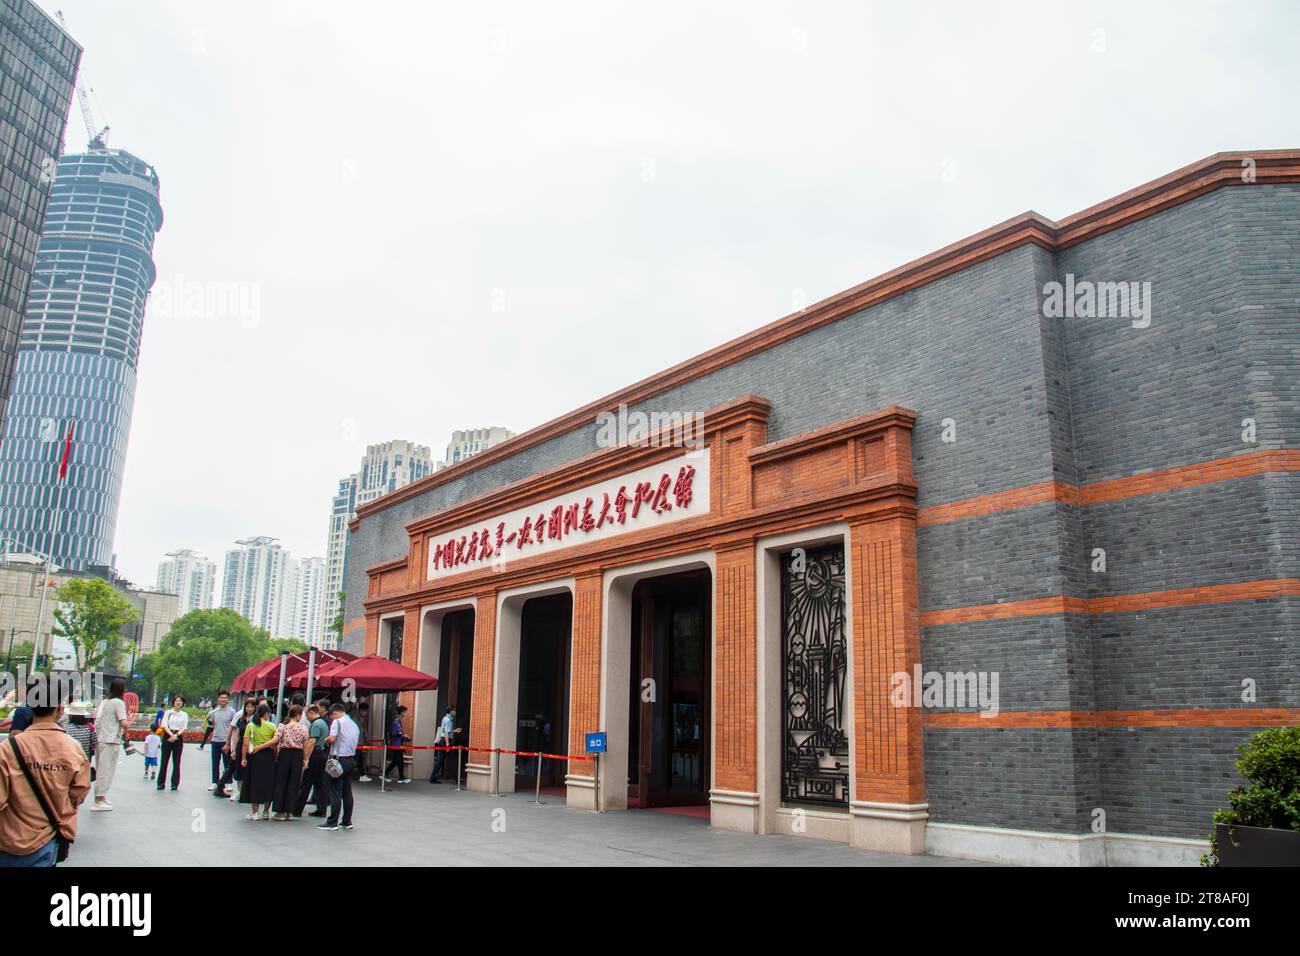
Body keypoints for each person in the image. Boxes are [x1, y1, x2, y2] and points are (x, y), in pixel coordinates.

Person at [0, 684, 91, 866]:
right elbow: (78, 795)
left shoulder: (8, 748)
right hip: (47, 839)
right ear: (60, 708)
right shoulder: (73, 749)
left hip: (8, 842)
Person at [319, 702, 358, 831]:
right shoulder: (354, 724)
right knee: (347, 792)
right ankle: (346, 821)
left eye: (332, 717)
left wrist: (325, 740)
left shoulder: (338, 722)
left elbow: (331, 739)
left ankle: (332, 822)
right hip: (351, 760)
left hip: (338, 759)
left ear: (335, 713)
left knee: (335, 791)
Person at [91, 678, 129, 810]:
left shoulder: (105, 702)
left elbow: (98, 721)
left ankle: (101, 797)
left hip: (101, 738)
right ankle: (99, 799)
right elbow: (123, 722)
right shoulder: (119, 703)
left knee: (101, 768)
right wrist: (127, 727)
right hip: (111, 739)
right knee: (106, 770)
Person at [270, 704, 307, 820]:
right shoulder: (303, 728)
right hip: (297, 755)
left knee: (281, 782)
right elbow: (305, 745)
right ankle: (289, 812)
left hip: (284, 754)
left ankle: (279, 811)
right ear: (297, 715)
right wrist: (305, 759)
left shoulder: (282, 727)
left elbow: (275, 740)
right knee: (294, 783)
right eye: (300, 715)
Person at [242, 703, 277, 820]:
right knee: (268, 783)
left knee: (255, 783)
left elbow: (245, 744)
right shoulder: (272, 726)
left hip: (254, 757)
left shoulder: (250, 726)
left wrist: (243, 758)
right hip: (268, 756)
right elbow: (275, 744)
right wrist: (275, 756)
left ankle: (255, 813)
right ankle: (266, 812)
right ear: (266, 714)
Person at [217, 698, 256, 799]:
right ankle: (239, 791)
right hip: (240, 746)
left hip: (251, 747)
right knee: (238, 769)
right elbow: (237, 735)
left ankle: (247, 792)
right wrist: (233, 749)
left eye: (252, 707)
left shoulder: (257, 720)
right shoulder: (241, 719)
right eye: (248, 707)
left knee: (248, 769)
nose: (250, 709)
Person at [296, 703, 330, 818]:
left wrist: (306, 758)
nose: (307, 718)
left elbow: (312, 742)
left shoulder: (316, 724)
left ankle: (297, 808)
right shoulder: (324, 723)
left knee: (306, 782)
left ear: (312, 713)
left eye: (307, 715)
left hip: (315, 754)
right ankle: (322, 809)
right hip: (323, 754)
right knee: (321, 783)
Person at [201, 690, 238, 792]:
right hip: (215, 740)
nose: (223, 700)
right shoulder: (214, 712)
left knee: (228, 763)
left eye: (225, 698)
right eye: (222, 698)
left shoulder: (232, 712)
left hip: (226, 741)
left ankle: (228, 782)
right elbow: (212, 725)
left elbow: (234, 728)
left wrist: (229, 742)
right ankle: (215, 782)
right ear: (218, 699)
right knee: (215, 762)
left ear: (228, 699)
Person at [156, 695, 189, 791]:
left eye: (180, 701)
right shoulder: (168, 713)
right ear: (173, 702)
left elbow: (184, 727)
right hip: (168, 736)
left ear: (182, 703)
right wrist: (171, 735)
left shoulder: (184, 714)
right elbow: (164, 725)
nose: (178, 702)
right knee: (164, 761)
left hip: (178, 737)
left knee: (177, 762)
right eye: (177, 701)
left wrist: (176, 736)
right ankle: (161, 783)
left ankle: (174, 784)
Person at [429, 706, 461, 783]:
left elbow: (445, 731)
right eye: (454, 710)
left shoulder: (444, 718)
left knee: (440, 761)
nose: (455, 712)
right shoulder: (449, 720)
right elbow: (446, 733)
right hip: (446, 742)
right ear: (451, 711)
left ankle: (433, 777)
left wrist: (454, 731)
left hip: (442, 741)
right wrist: (447, 744)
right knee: (452, 760)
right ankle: (457, 779)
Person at [385, 705, 410, 783]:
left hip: (398, 744)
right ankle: (401, 777)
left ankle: (385, 774)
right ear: (401, 712)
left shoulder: (399, 722)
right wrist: (404, 735)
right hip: (396, 745)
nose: (406, 713)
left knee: (395, 761)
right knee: (400, 761)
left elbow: (399, 733)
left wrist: (405, 737)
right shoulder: (396, 722)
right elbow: (395, 733)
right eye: (405, 712)